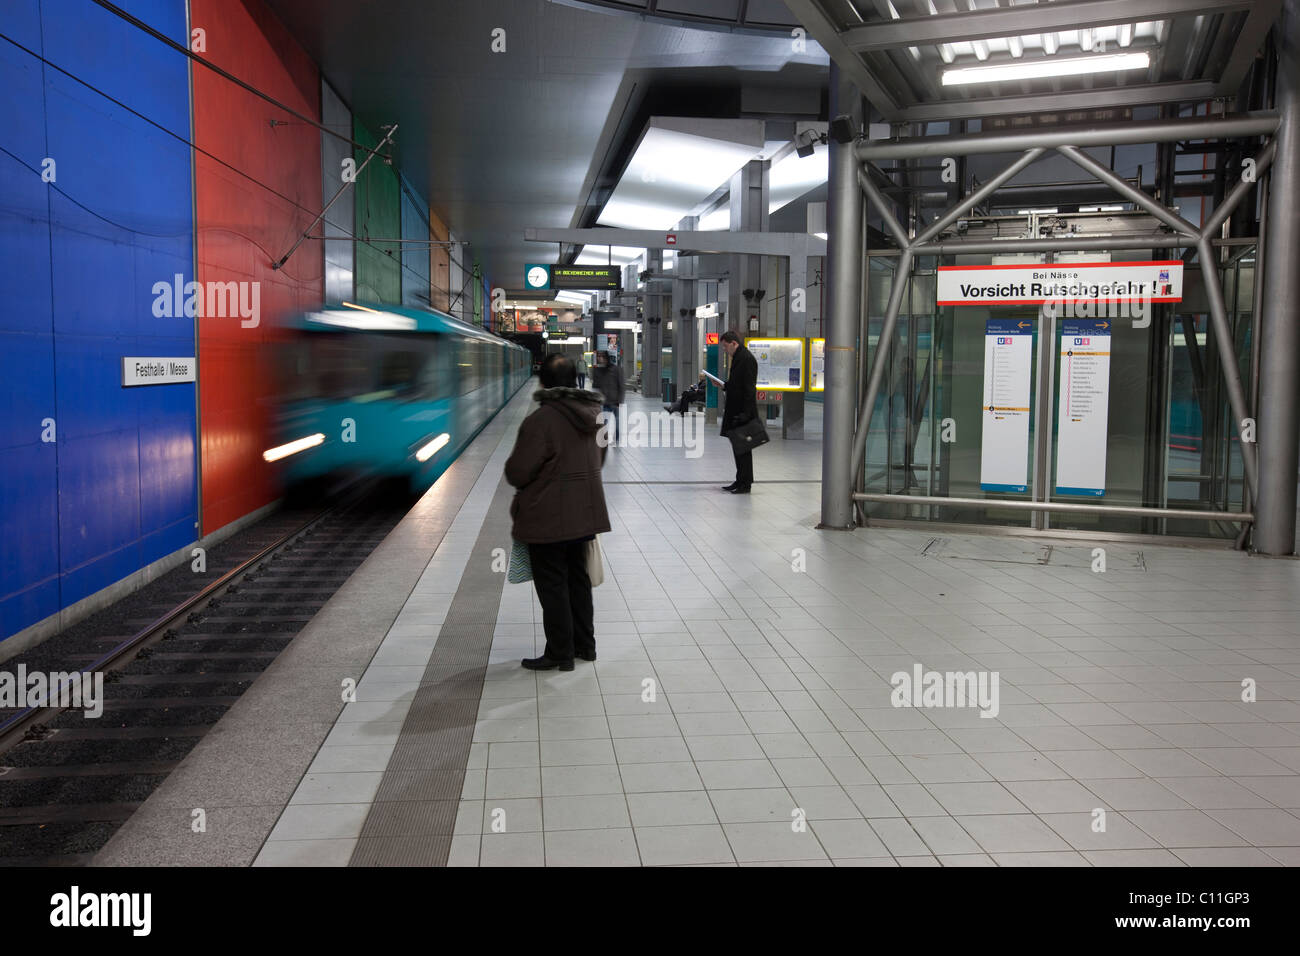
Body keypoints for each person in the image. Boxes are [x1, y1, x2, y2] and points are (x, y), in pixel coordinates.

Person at [505, 354, 610, 671]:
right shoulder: (597, 417)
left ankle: (560, 652)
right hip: (585, 513)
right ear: (575, 379)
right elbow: (599, 461)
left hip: (547, 517)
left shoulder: (540, 420)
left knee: (552, 585)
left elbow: (518, 472)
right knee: (578, 580)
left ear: (544, 382)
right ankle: (584, 646)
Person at [719, 329, 758, 494]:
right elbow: (737, 384)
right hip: (736, 410)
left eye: (726, 347)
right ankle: (740, 479)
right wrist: (724, 385)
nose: (725, 351)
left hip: (742, 412)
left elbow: (749, 389)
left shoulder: (746, 359)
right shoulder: (738, 358)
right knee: (738, 448)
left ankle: (745, 483)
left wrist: (745, 414)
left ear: (734, 343)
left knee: (743, 449)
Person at [590, 349, 625, 443]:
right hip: (605, 402)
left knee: (617, 422)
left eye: (601, 357)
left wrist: (620, 400)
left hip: (615, 401)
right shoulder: (600, 370)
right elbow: (597, 385)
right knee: (604, 422)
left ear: (606, 358)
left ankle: (616, 438)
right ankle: (604, 438)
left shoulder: (616, 369)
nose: (600, 359)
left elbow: (621, 385)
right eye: (598, 357)